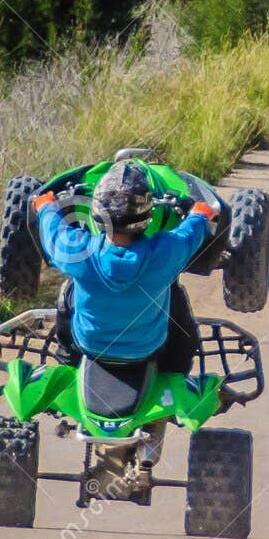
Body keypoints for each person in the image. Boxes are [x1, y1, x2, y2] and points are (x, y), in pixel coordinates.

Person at [35, 158, 215, 376]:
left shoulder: (79, 253)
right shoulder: (165, 253)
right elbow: (189, 234)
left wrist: (45, 207)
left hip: (90, 346)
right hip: (147, 348)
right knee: (173, 291)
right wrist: (200, 214)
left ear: (97, 213)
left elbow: (54, 233)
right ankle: (177, 366)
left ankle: (66, 354)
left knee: (69, 288)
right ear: (147, 214)